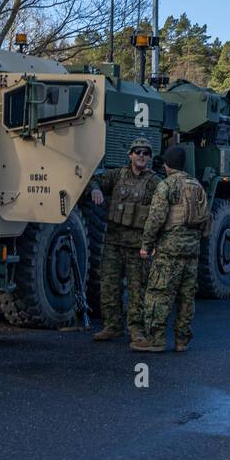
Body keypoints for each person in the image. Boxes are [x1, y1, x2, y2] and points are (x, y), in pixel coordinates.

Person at [135, 145, 211, 353]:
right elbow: (206, 219)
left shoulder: (166, 185)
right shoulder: (196, 185)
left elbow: (156, 218)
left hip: (169, 250)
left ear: (166, 164)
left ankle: (155, 339)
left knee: (158, 294)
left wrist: (146, 245)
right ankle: (182, 340)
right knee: (186, 297)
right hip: (192, 251)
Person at [88, 138, 160, 341]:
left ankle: (136, 330)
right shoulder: (117, 175)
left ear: (150, 157)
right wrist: (95, 189)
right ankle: (112, 326)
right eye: (137, 152)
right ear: (130, 155)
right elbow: (94, 180)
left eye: (146, 153)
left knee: (138, 289)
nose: (141, 156)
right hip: (114, 242)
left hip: (138, 246)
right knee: (109, 285)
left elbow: (163, 211)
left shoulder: (155, 182)